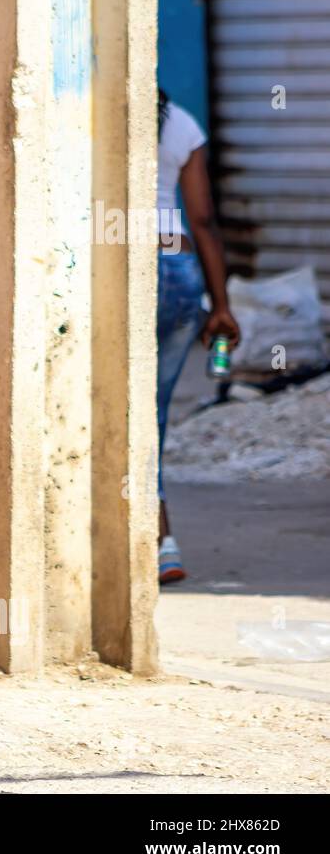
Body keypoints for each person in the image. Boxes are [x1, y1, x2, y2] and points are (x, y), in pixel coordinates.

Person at [155, 88, 241, 583]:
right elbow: (202, 220)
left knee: (120, 411)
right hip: (180, 272)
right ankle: (163, 545)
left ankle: (155, 535)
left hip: (125, 266)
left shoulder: (93, 115)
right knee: (153, 412)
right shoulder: (181, 123)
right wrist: (221, 306)